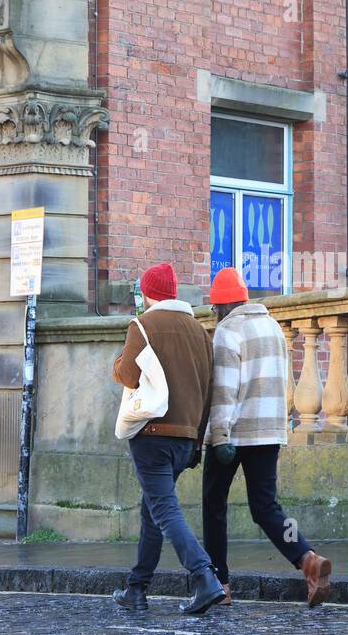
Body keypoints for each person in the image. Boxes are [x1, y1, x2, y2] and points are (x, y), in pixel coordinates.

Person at [202, 267, 333, 608]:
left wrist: (218, 435)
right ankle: (306, 557)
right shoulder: (272, 326)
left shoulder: (228, 331)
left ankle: (220, 583)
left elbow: (223, 390)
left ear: (219, 307)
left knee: (213, 505)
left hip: (232, 433)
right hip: (269, 429)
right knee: (266, 507)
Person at [111, 262, 227, 615]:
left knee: (164, 509)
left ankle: (204, 576)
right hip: (186, 436)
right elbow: (209, 392)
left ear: (147, 293)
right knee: (153, 509)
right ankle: (137, 587)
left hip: (152, 435)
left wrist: (116, 362)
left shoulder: (143, 325)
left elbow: (128, 375)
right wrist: (196, 443)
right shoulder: (199, 331)